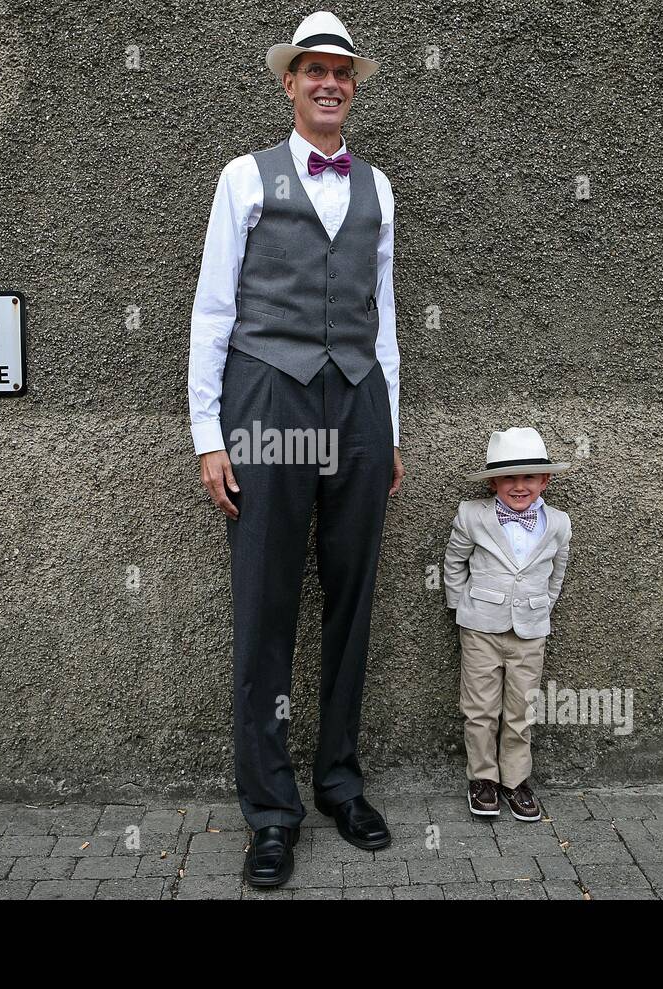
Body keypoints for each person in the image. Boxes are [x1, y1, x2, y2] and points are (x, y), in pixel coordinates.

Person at [187, 10, 404, 888]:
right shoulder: (244, 178)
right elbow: (211, 310)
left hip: (357, 399)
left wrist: (391, 427)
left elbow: (381, 316)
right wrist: (209, 435)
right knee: (265, 606)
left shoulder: (379, 188)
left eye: (341, 72)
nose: (328, 83)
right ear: (288, 83)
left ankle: (339, 782)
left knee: (353, 600)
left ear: (353, 88)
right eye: (312, 69)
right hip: (267, 396)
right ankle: (270, 809)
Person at [443, 427, 573, 821]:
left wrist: (540, 608)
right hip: (481, 627)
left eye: (529, 477)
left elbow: (557, 573)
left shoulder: (559, 523)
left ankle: (515, 780)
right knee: (479, 707)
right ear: (493, 482)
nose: (520, 486)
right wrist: (462, 608)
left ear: (545, 480)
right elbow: (454, 564)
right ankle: (482, 778)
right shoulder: (471, 515)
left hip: (530, 631)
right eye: (509, 478)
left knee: (521, 710)